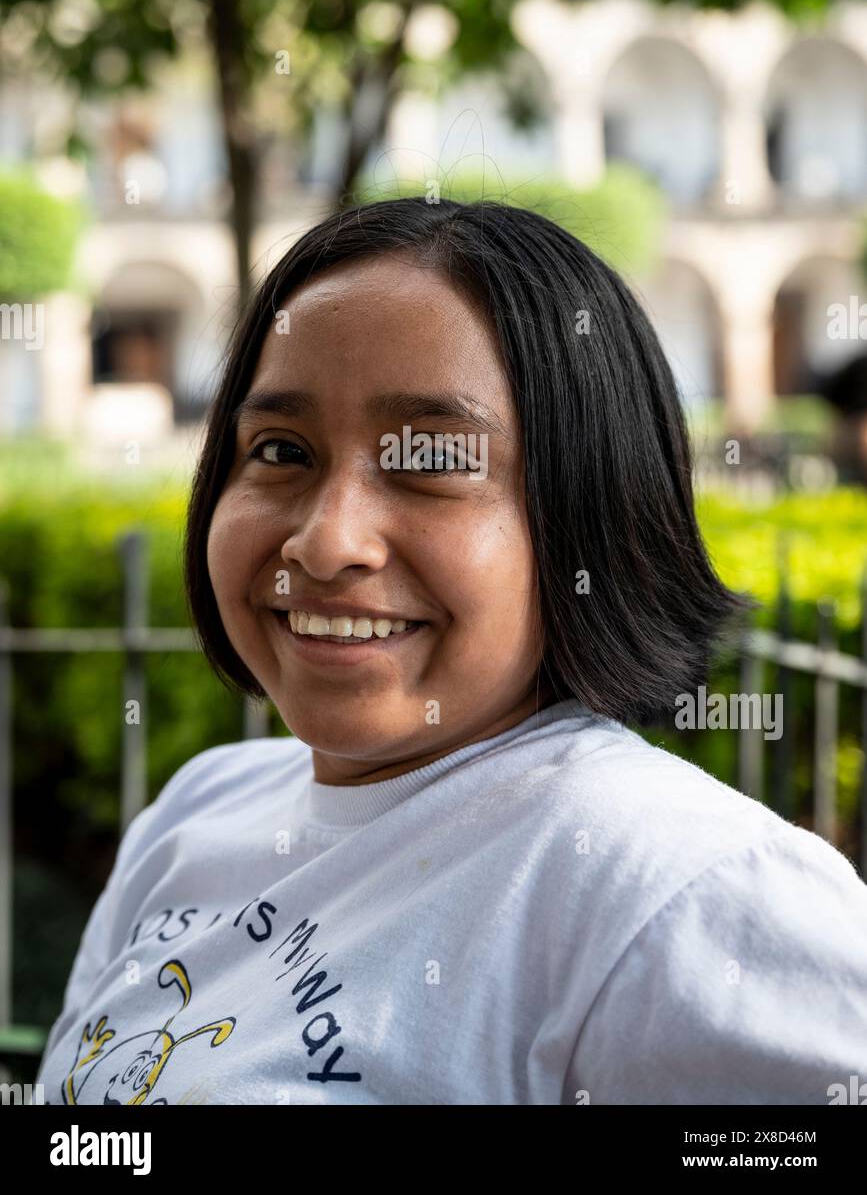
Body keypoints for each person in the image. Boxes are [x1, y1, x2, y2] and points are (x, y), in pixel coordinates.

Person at [37, 197, 867, 1105]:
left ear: (586, 516)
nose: (325, 541)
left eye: (430, 457)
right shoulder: (197, 811)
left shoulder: (681, 892)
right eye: (280, 449)